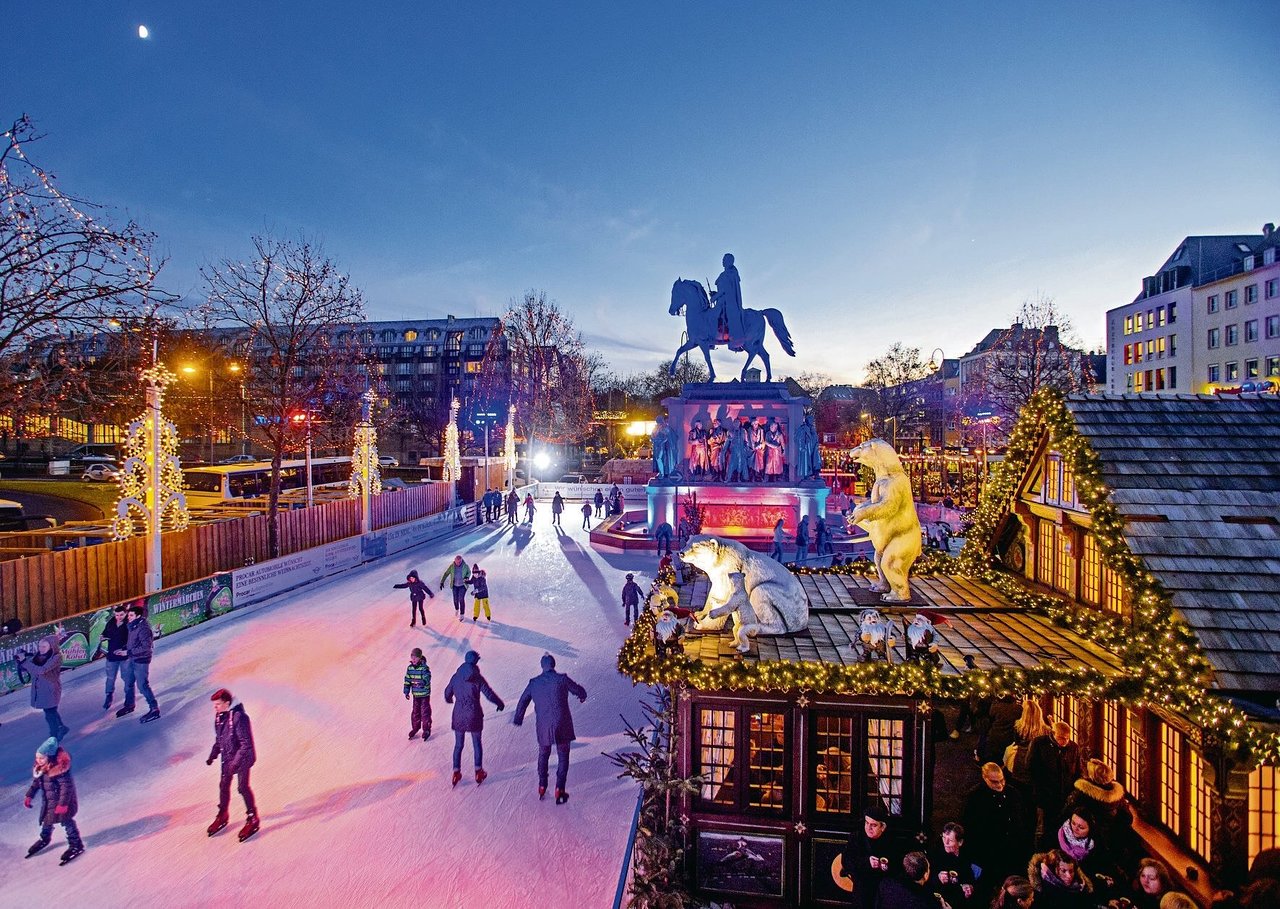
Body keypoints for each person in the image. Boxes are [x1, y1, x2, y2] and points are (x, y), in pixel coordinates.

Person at [513, 653, 587, 804]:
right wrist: (582, 695)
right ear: (553, 664)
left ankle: (542, 785)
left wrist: (518, 718)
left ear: (542, 666)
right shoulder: (562, 679)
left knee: (543, 754)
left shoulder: (534, 683)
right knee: (563, 755)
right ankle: (559, 789)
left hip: (543, 725)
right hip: (562, 724)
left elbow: (522, 701)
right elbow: (577, 689)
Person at [962, 763, 1033, 899]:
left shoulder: (1014, 794)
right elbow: (970, 829)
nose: (1000, 785)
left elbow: (1024, 822)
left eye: (1002, 780)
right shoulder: (974, 798)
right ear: (985, 778)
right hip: (988, 856)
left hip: (1011, 854)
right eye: (994, 782)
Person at [205, 687, 259, 842]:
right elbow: (220, 740)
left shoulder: (239, 717)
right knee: (223, 786)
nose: (215, 708)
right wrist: (213, 755)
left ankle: (252, 817)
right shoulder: (219, 717)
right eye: (214, 705)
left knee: (242, 787)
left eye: (217, 704)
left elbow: (246, 744)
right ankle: (223, 814)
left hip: (243, 758)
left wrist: (236, 763)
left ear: (227, 703)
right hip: (228, 757)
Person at [443, 650, 503, 787]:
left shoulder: (456, 676)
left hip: (458, 715)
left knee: (458, 745)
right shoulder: (477, 678)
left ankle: (456, 772)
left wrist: (449, 699)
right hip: (474, 714)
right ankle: (478, 771)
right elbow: (489, 694)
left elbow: (447, 692)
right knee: (477, 743)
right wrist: (499, 703)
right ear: (475, 661)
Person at [24, 737, 82, 864]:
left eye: (41, 758)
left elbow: (66, 787)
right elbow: (36, 784)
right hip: (50, 803)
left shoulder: (59, 771)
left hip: (63, 803)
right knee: (46, 821)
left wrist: (63, 804)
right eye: (37, 758)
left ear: (49, 757)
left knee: (67, 823)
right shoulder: (41, 769)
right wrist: (29, 796)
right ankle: (45, 838)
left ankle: (76, 844)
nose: (38, 761)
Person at [840, 802, 900, 909]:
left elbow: (897, 865)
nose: (868, 828)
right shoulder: (856, 837)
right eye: (866, 823)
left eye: (873, 825)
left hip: (884, 889)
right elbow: (846, 861)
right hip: (863, 889)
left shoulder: (891, 841)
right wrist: (867, 862)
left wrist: (886, 866)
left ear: (883, 827)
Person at [1028, 722, 1083, 837]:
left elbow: (1078, 771)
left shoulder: (1073, 748)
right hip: (1046, 793)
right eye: (1061, 738)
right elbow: (1031, 767)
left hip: (1066, 795)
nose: (1065, 742)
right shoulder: (1039, 744)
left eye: (1067, 738)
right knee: (1047, 826)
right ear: (1053, 734)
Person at [16, 633, 69, 740]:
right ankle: (62, 727)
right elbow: (30, 668)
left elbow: (41, 670)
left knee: (50, 713)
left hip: (51, 689)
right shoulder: (39, 656)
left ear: (51, 646)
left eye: (44, 646)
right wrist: (20, 662)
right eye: (39, 646)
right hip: (40, 689)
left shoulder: (56, 657)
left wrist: (24, 661)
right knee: (50, 711)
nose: (41, 649)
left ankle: (54, 735)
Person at [117, 603, 161, 723]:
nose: (128, 617)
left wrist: (128, 652)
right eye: (129, 615)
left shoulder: (143, 629)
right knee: (128, 682)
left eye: (131, 615)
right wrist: (125, 648)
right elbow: (133, 642)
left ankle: (154, 709)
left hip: (141, 660)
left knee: (142, 685)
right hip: (133, 658)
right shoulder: (133, 625)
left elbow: (146, 647)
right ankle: (129, 705)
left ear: (138, 616)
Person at [1027, 849, 1095, 908]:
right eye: (1063, 871)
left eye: (1071, 871)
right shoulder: (1043, 891)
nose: (1069, 876)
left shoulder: (1081, 887)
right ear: (1054, 870)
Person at [930, 822, 977, 908]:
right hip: (941, 899)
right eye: (944, 838)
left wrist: (969, 886)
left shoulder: (966, 854)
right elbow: (927, 881)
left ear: (960, 842)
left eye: (950, 840)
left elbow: (969, 875)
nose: (945, 843)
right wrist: (938, 877)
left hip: (960, 900)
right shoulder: (935, 854)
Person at [710, 252, 745, 349]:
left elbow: (725, 290)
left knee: (712, 316)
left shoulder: (729, 274)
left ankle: (711, 341)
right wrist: (715, 294)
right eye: (722, 260)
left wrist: (715, 297)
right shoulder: (725, 274)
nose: (723, 261)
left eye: (724, 260)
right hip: (722, 300)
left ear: (730, 261)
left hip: (727, 302)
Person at [100, 604, 130, 710]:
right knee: (110, 678)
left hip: (124, 657)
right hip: (112, 656)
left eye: (121, 615)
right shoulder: (111, 622)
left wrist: (125, 650)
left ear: (125, 614)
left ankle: (129, 697)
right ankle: (109, 695)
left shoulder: (129, 624)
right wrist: (102, 637)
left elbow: (132, 639)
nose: (119, 617)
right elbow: (104, 633)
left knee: (126, 677)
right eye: (117, 615)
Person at [404, 647, 432, 740]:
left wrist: (423, 682)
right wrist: (406, 691)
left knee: (425, 712)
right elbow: (407, 680)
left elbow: (427, 677)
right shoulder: (410, 668)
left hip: (424, 694)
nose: (414, 659)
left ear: (420, 658)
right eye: (412, 657)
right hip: (416, 695)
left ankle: (426, 729)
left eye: (416, 657)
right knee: (415, 712)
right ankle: (415, 728)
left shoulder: (424, 668)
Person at [439, 555, 472, 623]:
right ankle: (457, 609)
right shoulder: (452, 566)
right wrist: (442, 581)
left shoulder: (465, 566)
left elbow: (469, 572)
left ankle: (462, 614)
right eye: (457, 562)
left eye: (460, 562)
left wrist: (467, 577)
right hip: (455, 586)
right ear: (455, 561)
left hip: (463, 585)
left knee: (461, 599)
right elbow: (446, 573)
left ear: (461, 560)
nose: (458, 563)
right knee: (455, 600)